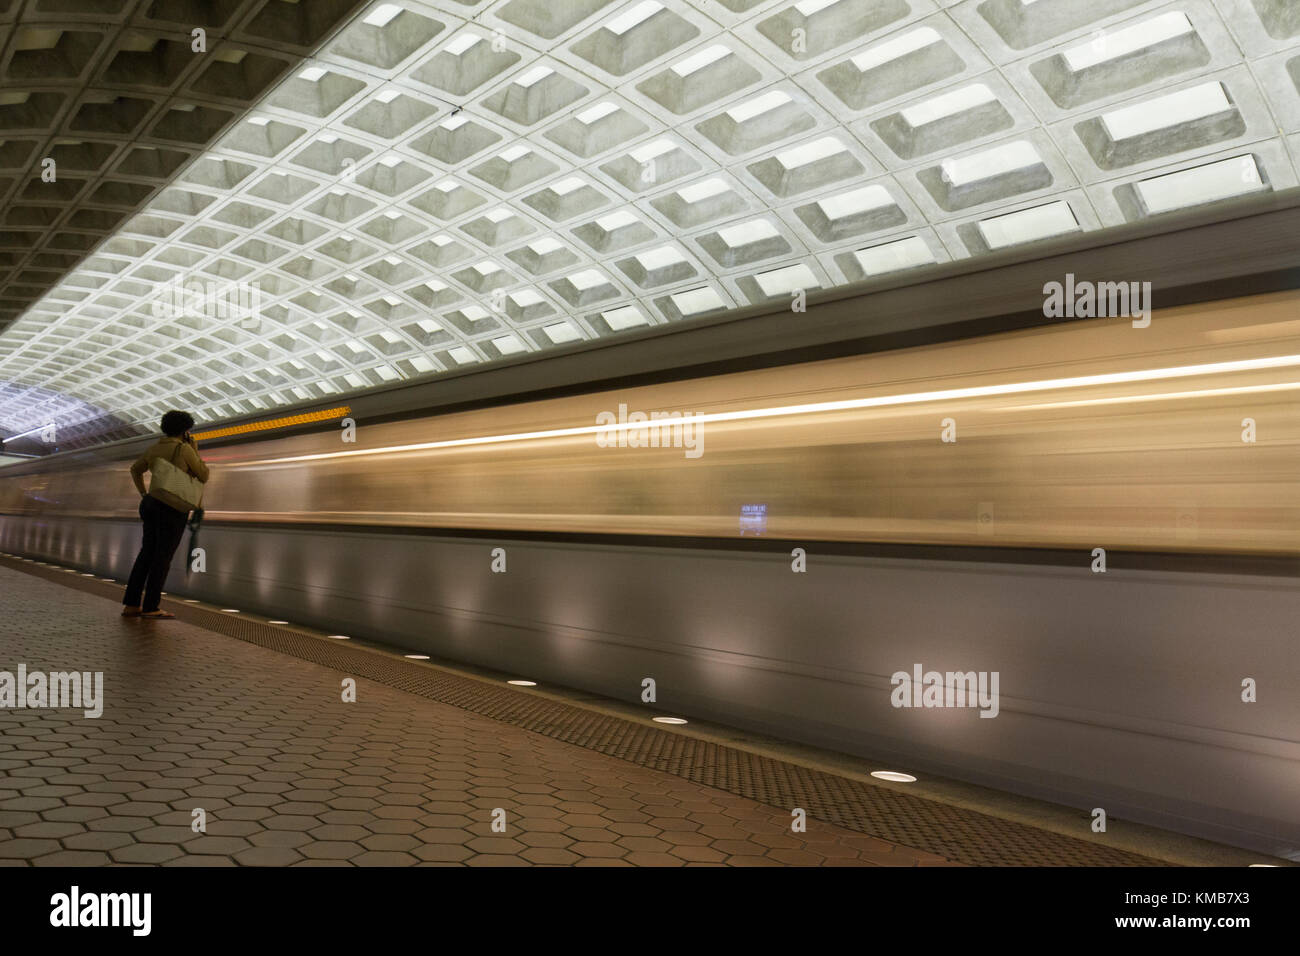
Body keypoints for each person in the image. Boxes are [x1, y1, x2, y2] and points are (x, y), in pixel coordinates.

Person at [122, 410, 210, 619]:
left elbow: (135, 470)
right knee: (162, 557)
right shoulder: (183, 449)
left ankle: (131, 605)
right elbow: (204, 475)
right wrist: (194, 450)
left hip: (151, 503)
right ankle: (152, 607)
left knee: (146, 554)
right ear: (185, 431)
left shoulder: (154, 448)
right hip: (172, 506)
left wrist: (143, 493)